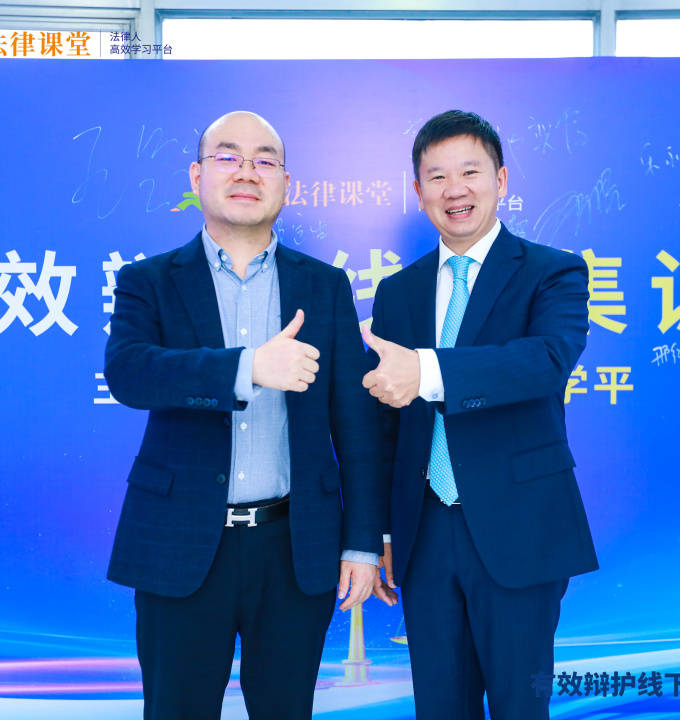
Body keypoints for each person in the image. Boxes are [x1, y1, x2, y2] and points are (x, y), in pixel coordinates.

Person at [105, 110, 391, 720]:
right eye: (228, 157)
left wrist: (363, 544)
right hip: (179, 543)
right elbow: (130, 372)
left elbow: (356, 427)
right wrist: (248, 368)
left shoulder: (324, 286)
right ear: (197, 176)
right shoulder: (149, 281)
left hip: (294, 546)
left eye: (264, 160)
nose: (246, 172)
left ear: (286, 182)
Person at [364, 110, 598, 720]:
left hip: (520, 527)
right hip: (423, 532)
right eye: (437, 176)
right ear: (418, 191)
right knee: (440, 705)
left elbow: (544, 361)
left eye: (470, 172)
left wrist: (427, 372)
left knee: (521, 706)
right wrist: (383, 531)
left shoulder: (553, 271)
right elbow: (385, 427)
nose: (455, 189)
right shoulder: (398, 292)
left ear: (501, 179)